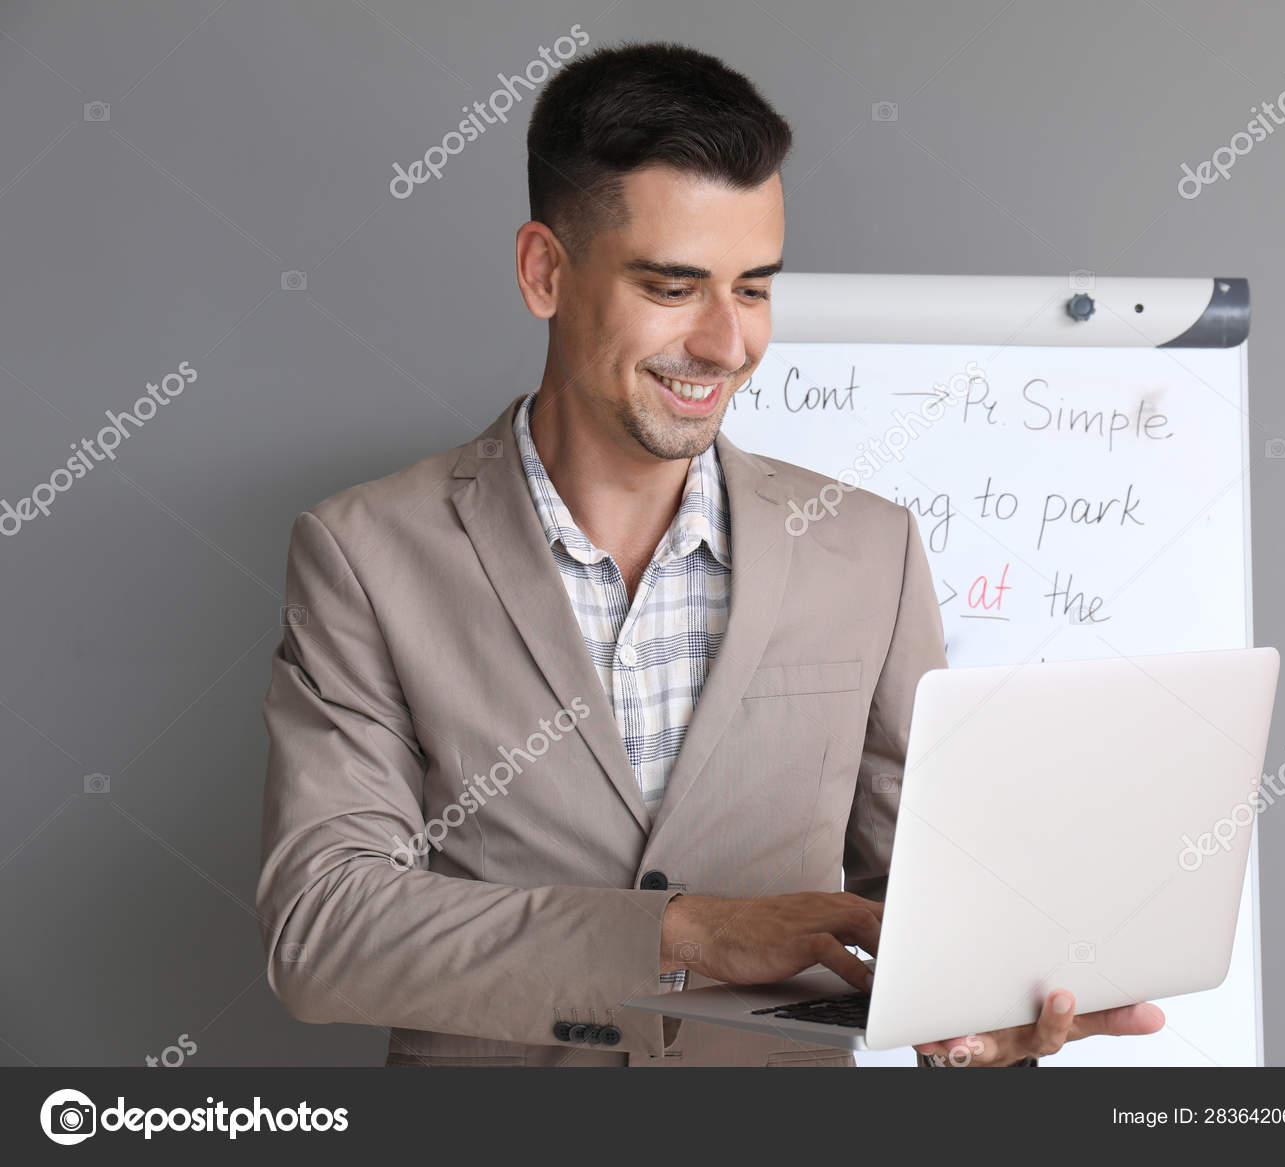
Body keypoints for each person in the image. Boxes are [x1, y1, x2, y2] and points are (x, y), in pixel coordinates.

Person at [256, 40, 1164, 1067]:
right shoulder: (366, 552)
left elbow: (916, 906)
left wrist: (980, 1025)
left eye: (756, 288)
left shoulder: (870, 550)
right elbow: (322, 932)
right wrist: (681, 935)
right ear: (545, 271)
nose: (728, 345)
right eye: (673, 285)